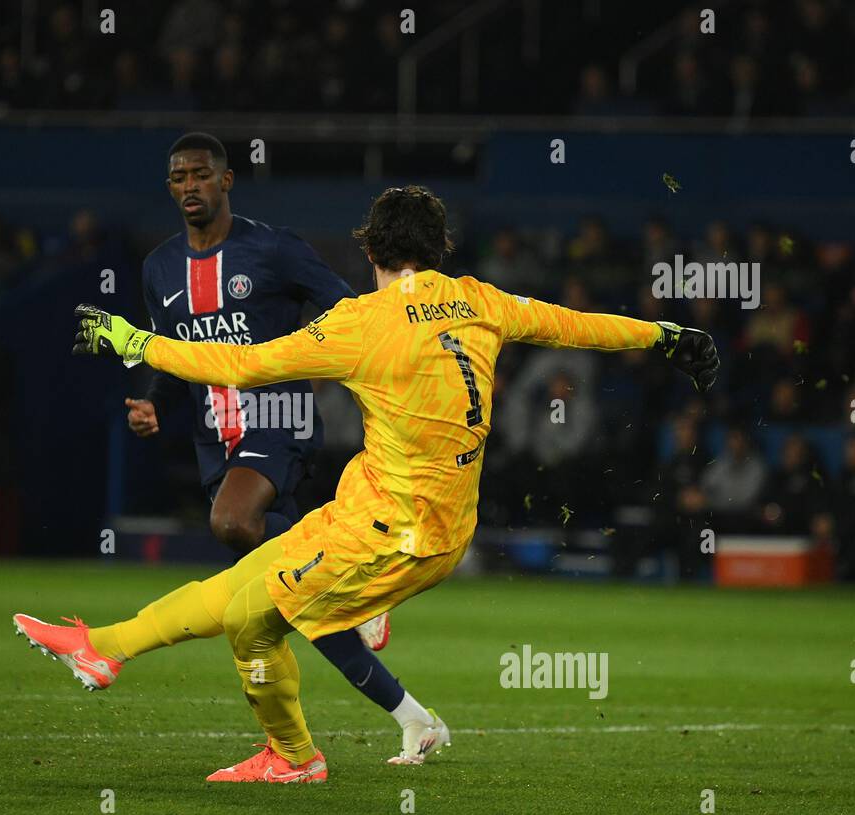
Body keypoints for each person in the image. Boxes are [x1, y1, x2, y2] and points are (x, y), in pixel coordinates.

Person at [52, 186, 717, 782]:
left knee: (250, 625)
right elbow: (574, 324)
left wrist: (138, 343)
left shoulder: (359, 322)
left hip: (397, 536)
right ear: (441, 246)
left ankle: (294, 758)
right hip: (390, 510)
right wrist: (666, 335)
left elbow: (246, 365)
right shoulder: (477, 298)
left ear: (369, 247)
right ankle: (105, 647)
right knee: (241, 581)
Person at [26, 134, 447, 766]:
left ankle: (124, 649)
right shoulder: (160, 268)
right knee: (290, 592)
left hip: (280, 416)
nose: (189, 185)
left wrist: (336, 354)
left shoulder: (272, 249)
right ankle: (407, 711)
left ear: (227, 182)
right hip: (214, 435)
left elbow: (352, 308)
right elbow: (174, 350)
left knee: (233, 521)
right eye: (178, 177)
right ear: (169, 188)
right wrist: (153, 403)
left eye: (201, 174)